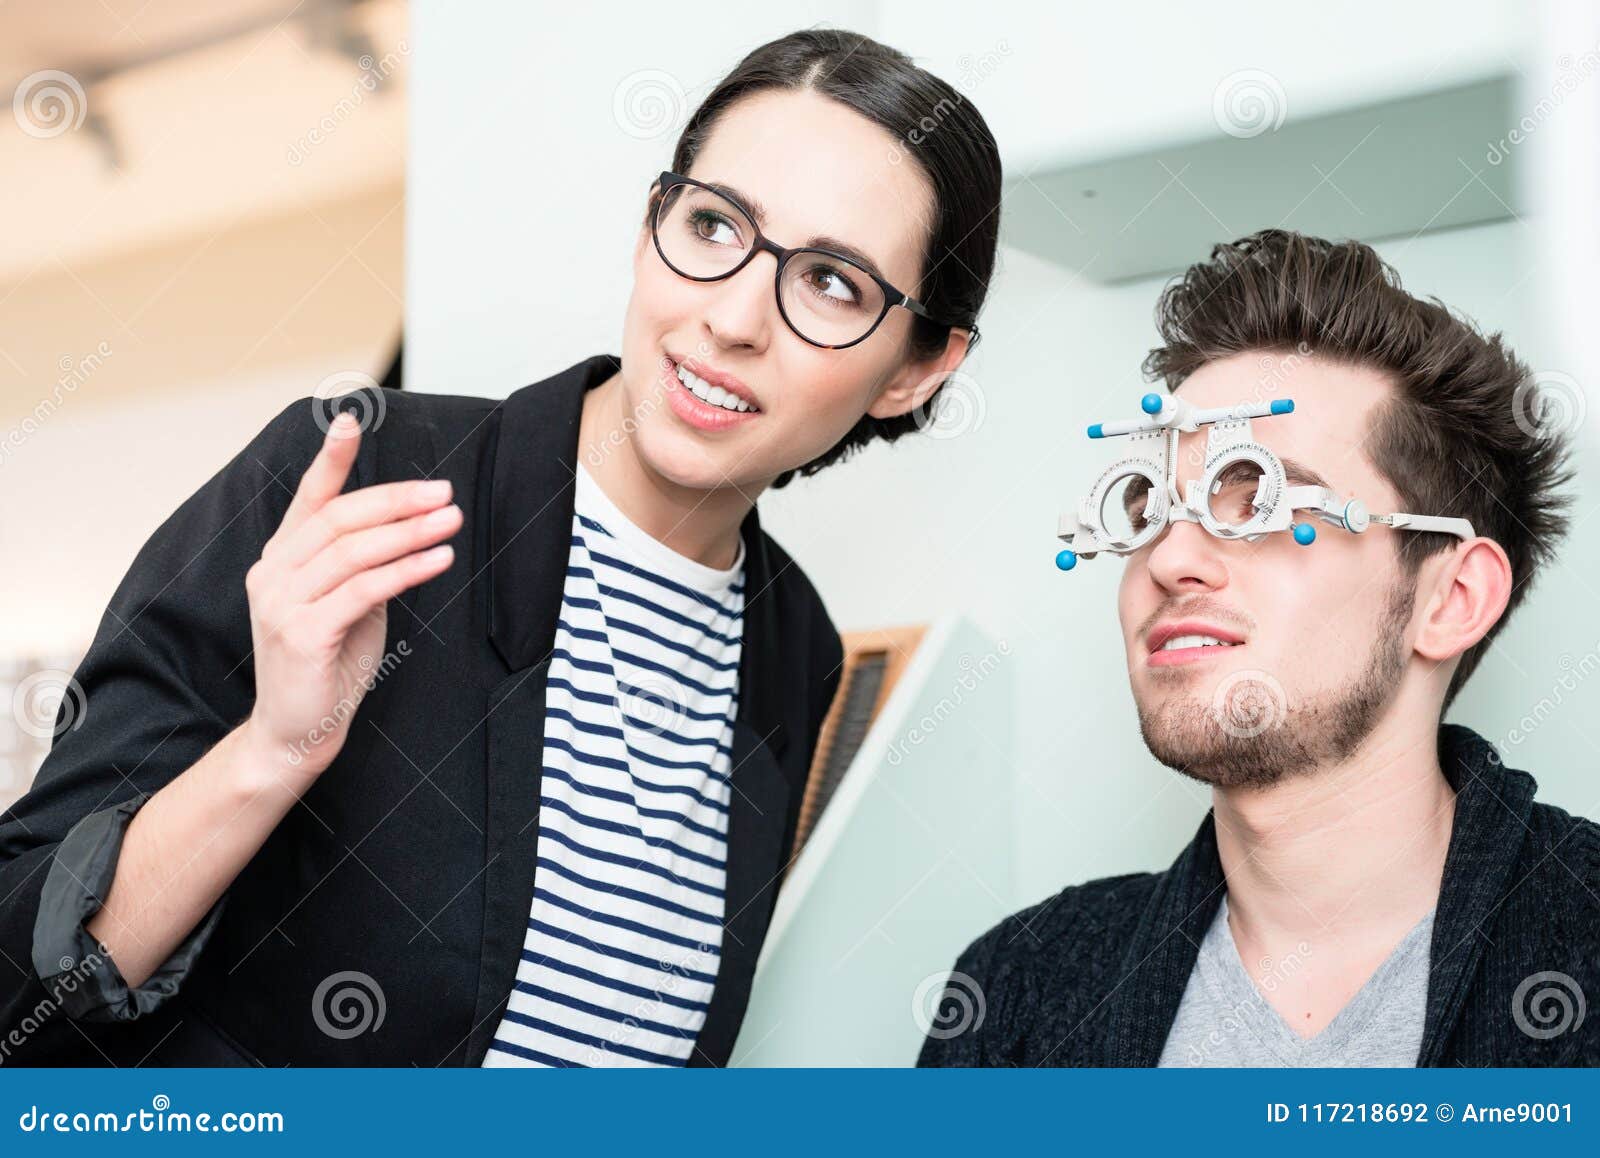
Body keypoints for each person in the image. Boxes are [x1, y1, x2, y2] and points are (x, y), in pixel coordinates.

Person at [0, 28, 1001, 1067]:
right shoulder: (363, 473)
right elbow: (27, 977)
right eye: (712, 226)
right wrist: (273, 753)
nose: (735, 316)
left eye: (833, 283)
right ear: (650, 223)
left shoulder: (795, 649)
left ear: (917, 369)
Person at [919, 229, 1599, 1067]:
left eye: (1260, 502)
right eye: (1150, 510)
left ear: (1452, 600)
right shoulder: (1021, 989)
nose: (1169, 561)